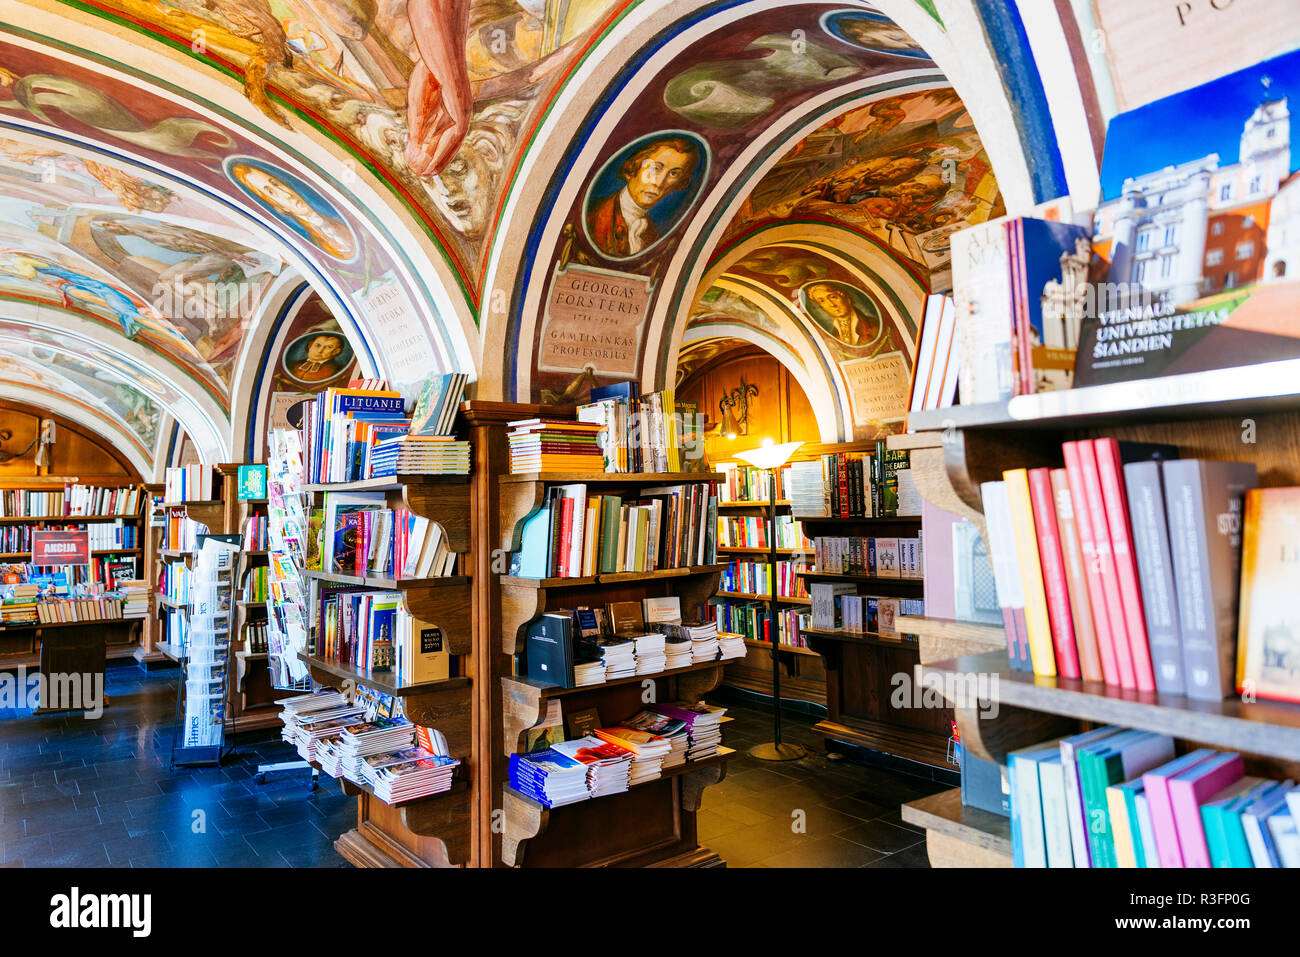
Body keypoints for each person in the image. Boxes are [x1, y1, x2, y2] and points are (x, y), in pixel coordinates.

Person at [587, 137, 700, 257]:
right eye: (655, 168)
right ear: (633, 168)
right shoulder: (593, 216)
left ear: (680, 184)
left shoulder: (652, 234)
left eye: (674, 174)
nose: (659, 182)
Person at [805, 282, 878, 347]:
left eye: (833, 297)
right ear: (821, 307)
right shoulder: (832, 334)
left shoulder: (873, 325)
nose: (831, 304)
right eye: (822, 301)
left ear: (846, 298)